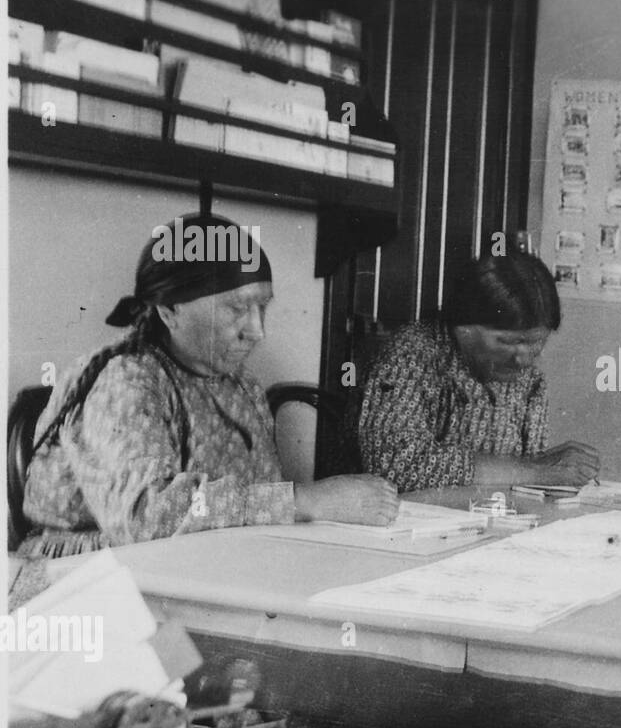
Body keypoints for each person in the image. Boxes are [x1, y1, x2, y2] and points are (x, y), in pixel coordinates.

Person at [21, 214, 399, 558]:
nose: (257, 331)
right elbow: (145, 519)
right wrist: (308, 500)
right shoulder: (125, 381)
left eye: (262, 307)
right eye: (236, 309)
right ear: (170, 310)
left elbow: (256, 500)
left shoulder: (240, 383)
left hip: (200, 564)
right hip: (94, 578)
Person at [356, 247, 600, 491]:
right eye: (507, 341)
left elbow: (523, 478)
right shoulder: (410, 356)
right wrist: (537, 471)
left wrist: (544, 466)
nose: (522, 359)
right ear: (463, 329)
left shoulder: (529, 381)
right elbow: (396, 467)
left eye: (535, 342)